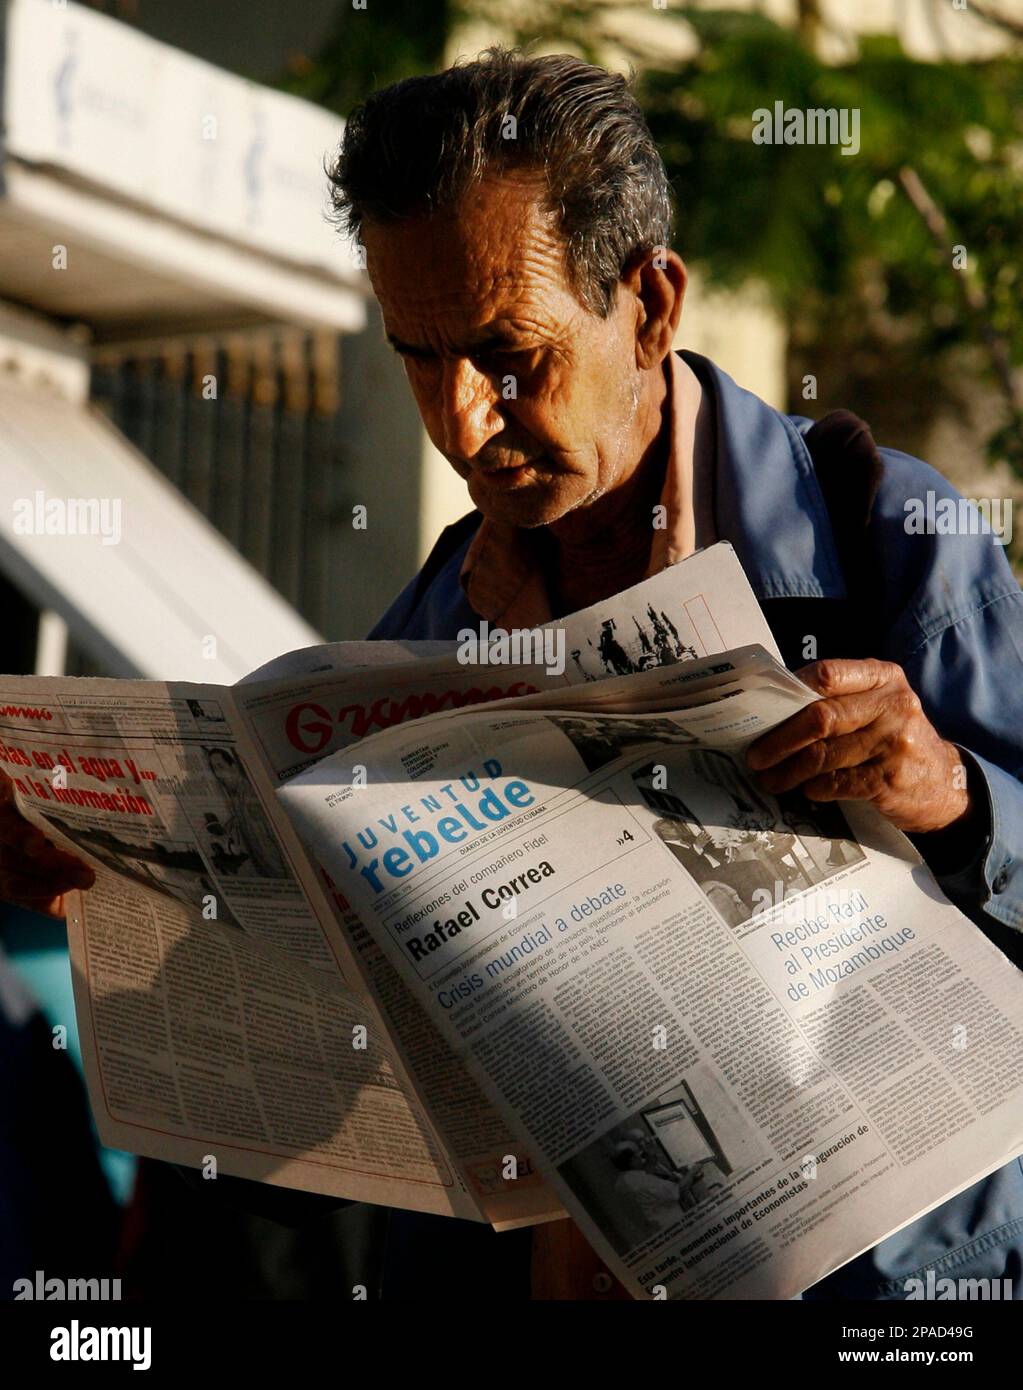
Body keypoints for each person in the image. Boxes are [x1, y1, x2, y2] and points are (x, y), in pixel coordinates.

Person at [3, 47, 1022, 1302]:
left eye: (505, 355)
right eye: (416, 357)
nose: (461, 423)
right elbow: (316, 1086)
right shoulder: (430, 622)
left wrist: (956, 795)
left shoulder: (887, 541)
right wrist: (117, 895)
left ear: (650, 305)